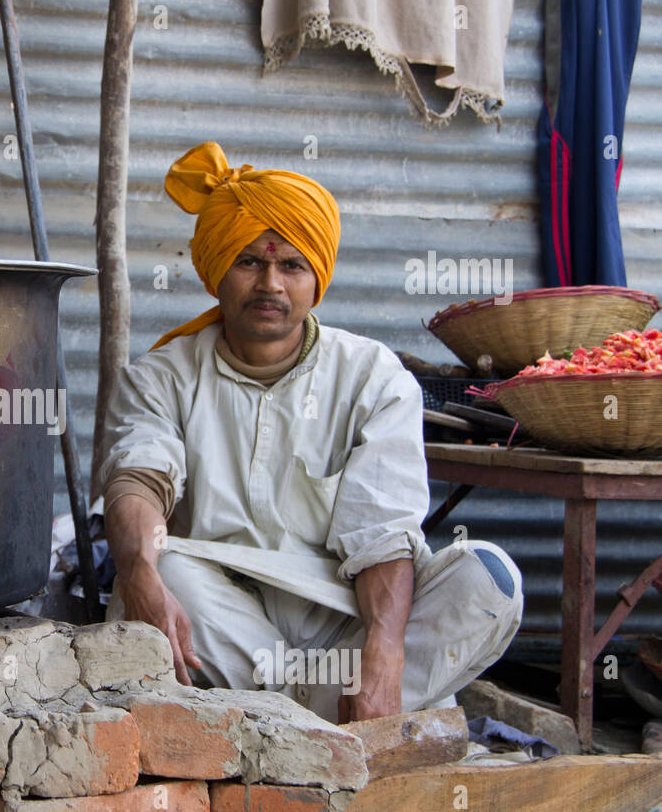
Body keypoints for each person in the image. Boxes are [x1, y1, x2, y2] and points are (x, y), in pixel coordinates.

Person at [99, 141, 522, 724]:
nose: (270, 283)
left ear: (315, 276)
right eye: (249, 261)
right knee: (158, 569)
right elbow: (138, 479)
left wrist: (384, 651)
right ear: (216, 268)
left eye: (291, 265)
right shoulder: (162, 377)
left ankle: (283, 723)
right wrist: (139, 572)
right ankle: (322, 726)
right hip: (225, 615)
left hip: (339, 617)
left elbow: (383, 532)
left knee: (489, 579)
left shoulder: (373, 378)